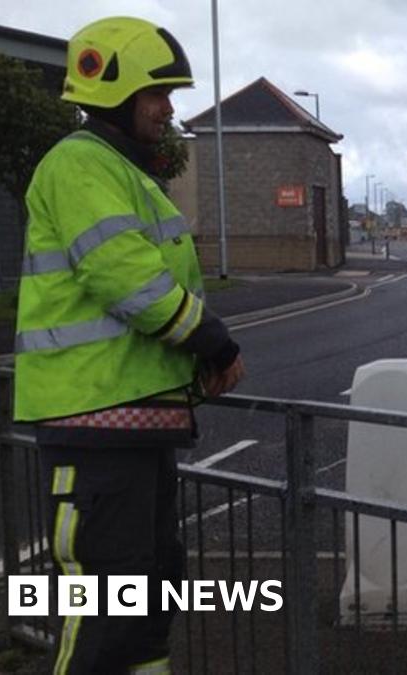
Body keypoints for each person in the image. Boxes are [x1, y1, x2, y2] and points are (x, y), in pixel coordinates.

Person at [14, 16, 245, 673]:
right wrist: (215, 345)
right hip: (91, 421)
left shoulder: (125, 171)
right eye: (157, 94)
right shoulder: (80, 164)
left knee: (146, 607)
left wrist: (197, 368)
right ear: (114, 95)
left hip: (134, 421)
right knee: (104, 613)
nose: (168, 109)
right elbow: (129, 279)